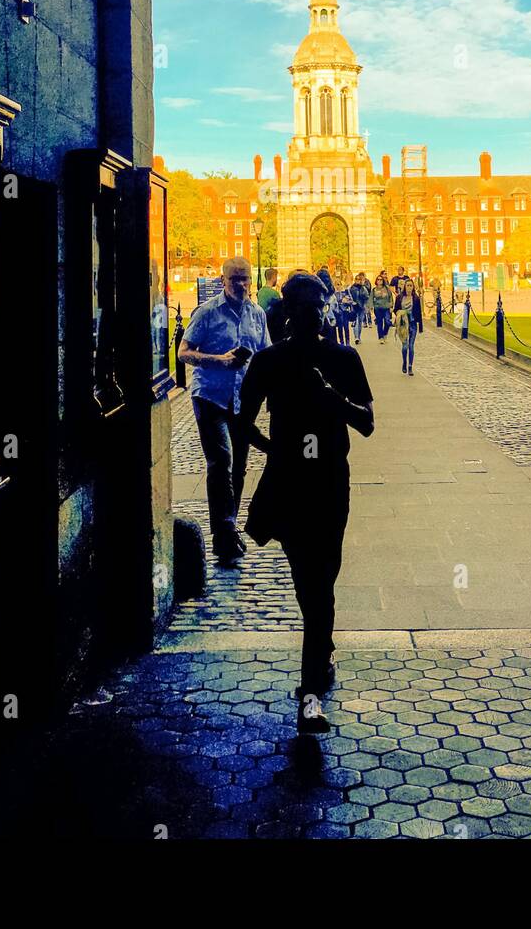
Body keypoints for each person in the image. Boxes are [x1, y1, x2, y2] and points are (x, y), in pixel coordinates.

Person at [241, 273, 374, 734]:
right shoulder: (269, 361)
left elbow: (368, 423)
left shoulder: (341, 358)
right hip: (295, 481)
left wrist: (328, 397)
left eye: (315, 308)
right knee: (312, 585)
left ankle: (315, 673)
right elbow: (243, 423)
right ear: (290, 312)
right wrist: (272, 451)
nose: (310, 316)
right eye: (303, 309)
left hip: (327, 480)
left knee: (320, 581)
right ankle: (314, 676)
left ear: (323, 311)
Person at [177, 256, 271, 566]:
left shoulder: (257, 315)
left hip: (242, 399)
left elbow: (264, 355)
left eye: (245, 279)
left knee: (239, 466)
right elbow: (183, 352)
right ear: (223, 280)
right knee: (221, 461)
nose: (241, 285)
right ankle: (223, 533)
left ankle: (229, 526)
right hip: (210, 396)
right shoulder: (207, 313)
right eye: (235, 279)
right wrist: (220, 359)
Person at [394, 276, 423, 376]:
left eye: (411, 285)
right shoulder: (400, 297)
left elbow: (419, 313)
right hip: (403, 324)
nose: (409, 287)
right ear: (405, 287)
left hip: (413, 324)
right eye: (407, 285)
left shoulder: (416, 298)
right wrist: (400, 313)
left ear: (413, 287)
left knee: (411, 346)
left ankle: (410, 366)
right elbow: (395, 309)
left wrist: (421, 327)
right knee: (405, 346)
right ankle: (404, 362)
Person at [257, 266, 286, 343]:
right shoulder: (274, 294)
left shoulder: (260, 291)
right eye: (276, 277)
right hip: (273, 326)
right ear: (273, 277)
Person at [316, 267, 340, 342]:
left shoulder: (315, 295)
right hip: (331, 323)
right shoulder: (332, 295)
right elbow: (336, 310)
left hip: (318, 324)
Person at [349, 272, 370, 345]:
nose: (357, 280)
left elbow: (367, 297)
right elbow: (349, 297)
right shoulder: (352, 288)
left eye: (359, 279)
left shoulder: (363, 288)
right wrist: (351, 302)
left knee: (360, 322)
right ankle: (356, 337)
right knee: (356, 322)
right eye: (356, 279)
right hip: (354, 307)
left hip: (361, 307)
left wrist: (366, 306)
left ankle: (359, 336)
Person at [372, 273, 393, 342]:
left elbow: (390, 297)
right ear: (376, 281)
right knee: (380, 323)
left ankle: (385, 334)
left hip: (386, 308)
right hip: (378, 308)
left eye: (381, 279)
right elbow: (371, 298)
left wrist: (391, 306)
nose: (379, 280)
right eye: (378, 279)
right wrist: (371, 307)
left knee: (387, 322)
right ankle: (381, 337)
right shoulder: (374, 289)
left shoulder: (387, 289)